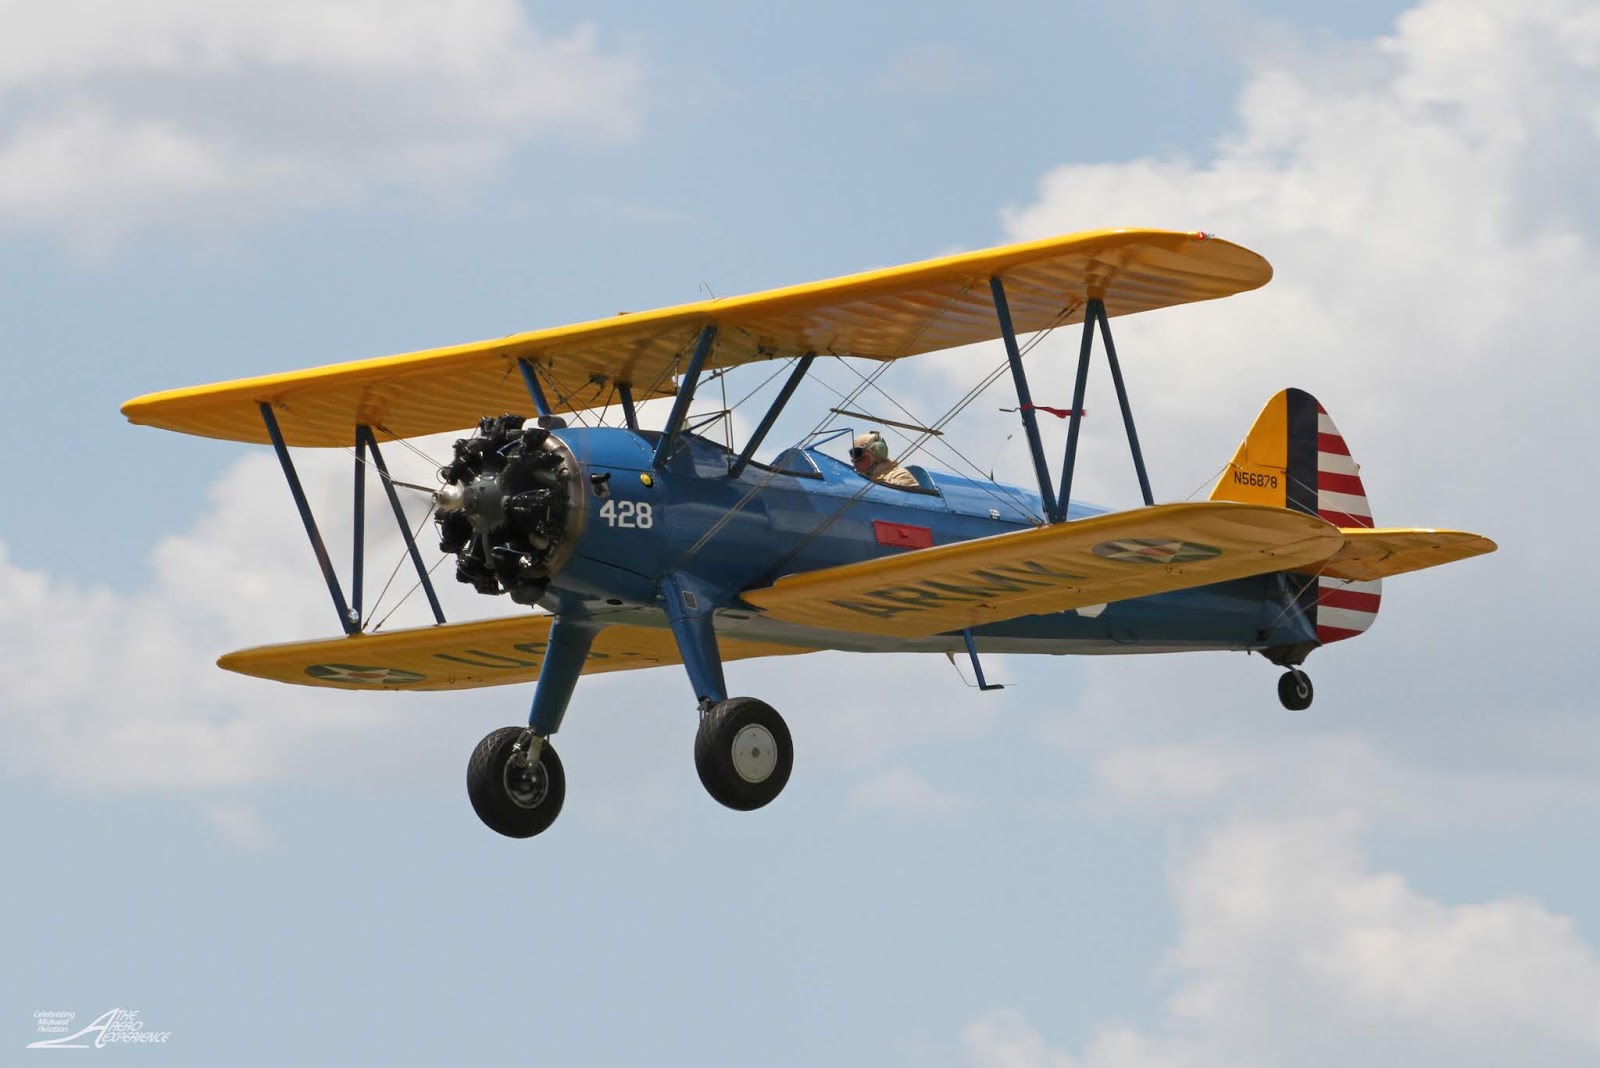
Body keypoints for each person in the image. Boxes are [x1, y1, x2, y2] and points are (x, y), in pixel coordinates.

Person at [850, 431, 920, 488]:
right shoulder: (860, 480)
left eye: (858, 453)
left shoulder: (899, 475)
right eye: (852, 454)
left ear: (874, 453)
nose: (854, 460)